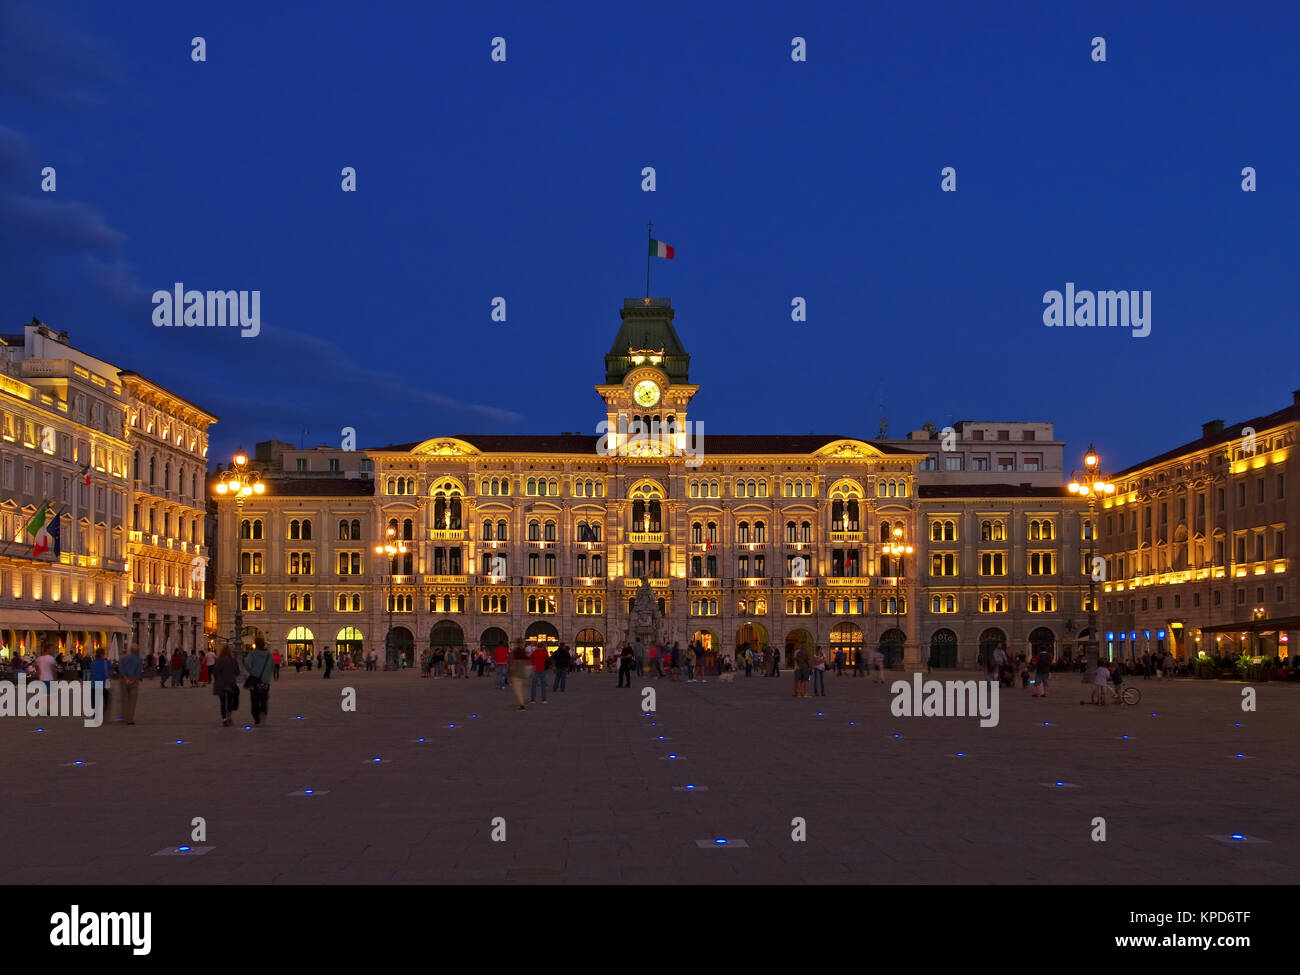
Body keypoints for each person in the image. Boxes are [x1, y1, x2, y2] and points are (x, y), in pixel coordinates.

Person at [246, 637, 274, 724]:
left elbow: (247, 664)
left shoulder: (252, 654)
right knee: (264, 698)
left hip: (255, 680)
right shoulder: (269, 655)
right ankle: (263, 712)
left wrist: (252, 672)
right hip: (265, 681)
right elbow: (272, 667)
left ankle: (256, 717)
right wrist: (266, 675)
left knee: (254, 699)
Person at [211, 646, 240, 726]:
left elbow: (214, 673)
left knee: (223, 702)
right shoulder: (233, 661)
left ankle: (224, 719)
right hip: (230, 683)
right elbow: (237, 672)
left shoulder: (218, 661)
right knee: (229, 701)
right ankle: (229, 717)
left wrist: (218, 679)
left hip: (220, 684)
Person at [118, 645, 143, 724]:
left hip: (124, 680)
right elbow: (139, 671)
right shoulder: (139, 659)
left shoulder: (124, 658)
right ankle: (130, 719)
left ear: (130, 650)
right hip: (134, 681)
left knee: (124, 699)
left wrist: (126, 678)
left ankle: (124, 718)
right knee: (132, 701)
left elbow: (120, 669)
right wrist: (133, 679)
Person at [90, 648, 112, 724]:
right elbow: (110, 671)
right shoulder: (107, 662)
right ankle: (103, 713)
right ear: (102, 654)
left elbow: (92, 672)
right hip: (102, 683)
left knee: (95, 700)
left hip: (94, 683)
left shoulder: (93, 663)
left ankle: (95, 714)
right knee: (106, 699)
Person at [509, 641, 530, 710]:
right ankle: (526, 698)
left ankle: (522, 704)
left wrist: (510, 673)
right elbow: (528, 661)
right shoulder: (524, 652)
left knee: (518, 690)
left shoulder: (515, 652)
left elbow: (511, 663)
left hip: (516, 674)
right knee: (524, 687)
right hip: (523, 673)